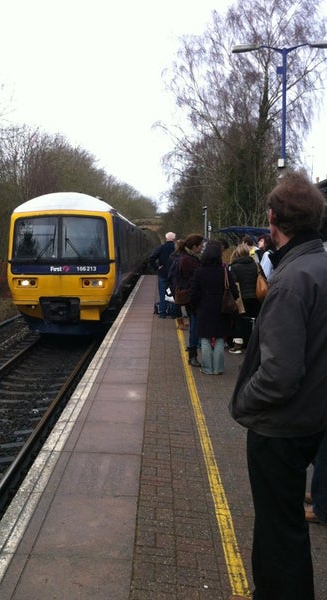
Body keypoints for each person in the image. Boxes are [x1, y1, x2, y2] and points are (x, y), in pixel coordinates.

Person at [230, 170, 327, 600]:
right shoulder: (319, 266)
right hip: (311, 417)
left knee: (276, 530)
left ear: (272, 219)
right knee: (286, 526)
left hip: (278, 427)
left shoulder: (289, 282)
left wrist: (244, 403)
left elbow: (279, 375)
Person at [189, 239, 238, 375]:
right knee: (220, 338)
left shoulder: (199, 272)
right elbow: (234, 292)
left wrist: (196, 305)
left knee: (205, 338)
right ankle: (218, 368)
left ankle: (207, 368)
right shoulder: (225, 271)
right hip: (222, 309)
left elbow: (193, 294)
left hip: (204, 309)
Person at [176, 233, 204, 366]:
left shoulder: (187, 257)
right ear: (194, 247)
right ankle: (192, 355)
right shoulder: (188, 260)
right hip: (191, 296)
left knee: (195, 324)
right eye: (200, 246)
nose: (202, 248)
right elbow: (196, 276)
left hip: (191, 295)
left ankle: (193, 353)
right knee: (194, 325)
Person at [228, 243, 260, 354]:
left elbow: (234, 284)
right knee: (253, 320)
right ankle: (253, 342)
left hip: (242, 297)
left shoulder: (235, 267)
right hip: (255, 297)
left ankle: (238, 344)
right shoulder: (255, 265)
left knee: (239, 320)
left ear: (237, 253)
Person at [149, 231, 176, 319]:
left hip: (163, 274)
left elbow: (151, 258)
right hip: (174, 274)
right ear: (174, 239)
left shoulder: (161, 247)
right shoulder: (177, 248)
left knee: (162, 294)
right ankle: (173, 313)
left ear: (166, 238)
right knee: (173, 294)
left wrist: (156, 268)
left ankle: (162, 313)